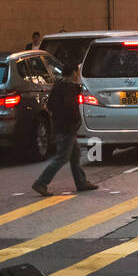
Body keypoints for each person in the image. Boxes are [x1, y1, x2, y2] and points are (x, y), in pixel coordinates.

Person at [32, 62, 97, 197]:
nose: (78, 75)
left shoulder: (58, 85)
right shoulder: (69, 88)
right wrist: (75, 120)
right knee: (62, 157)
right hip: (67, 127)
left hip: (61, 125)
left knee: (75, 155)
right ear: (73, 73)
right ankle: (41, 182)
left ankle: (81, 182)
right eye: (77, 72)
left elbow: (50, 105)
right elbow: (70, 108)